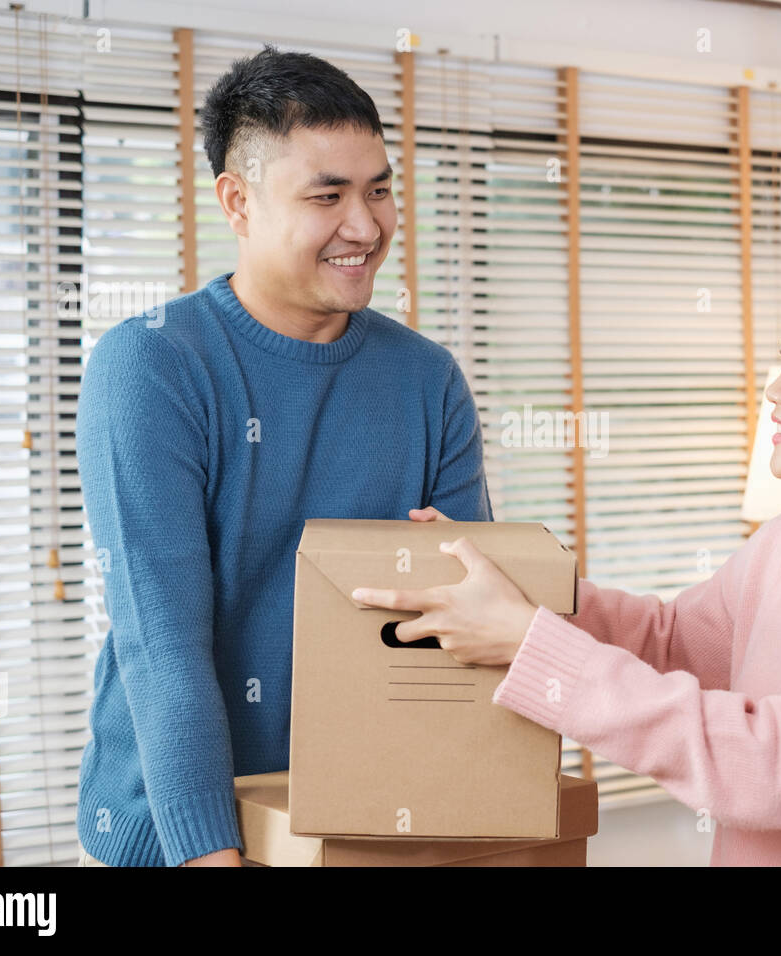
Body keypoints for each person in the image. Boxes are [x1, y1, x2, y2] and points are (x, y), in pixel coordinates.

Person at [353, 247, 781, 866]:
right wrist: (521, 585)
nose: (776, 388)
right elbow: (672, 642)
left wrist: (527, 645)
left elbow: (769, 766)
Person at [74, 45, 492, 867]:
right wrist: (210, 857)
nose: (365, 227)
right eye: (327, 196)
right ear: (238, 201)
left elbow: (467, 626)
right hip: (171, 833)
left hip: (361, 820)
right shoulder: (151, 367)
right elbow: (163, 647)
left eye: (379, 190)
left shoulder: (427, 379)